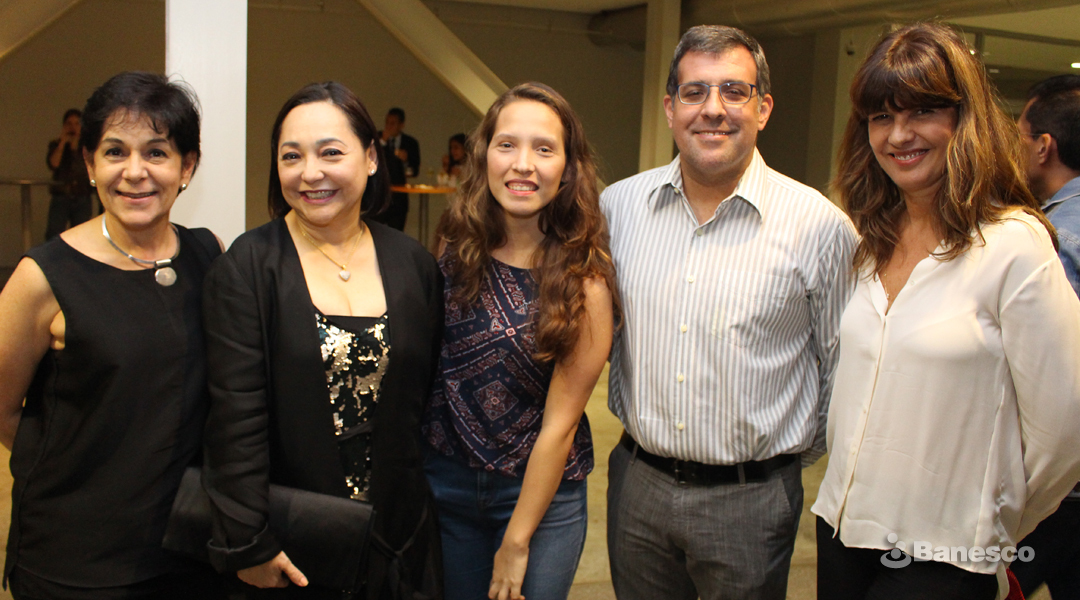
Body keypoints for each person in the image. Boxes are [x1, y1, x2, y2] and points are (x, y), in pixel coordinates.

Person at [811, 23, 1080, 600]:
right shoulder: (872, 238)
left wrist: (997, 524)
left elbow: (1066, 430)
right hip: (841, 530)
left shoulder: (1013, 243)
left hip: (945, 554)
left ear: (965, 118)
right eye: (881, 116)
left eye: (923, 111)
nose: (899, 134)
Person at [600, 25, 857, 600]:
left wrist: (777, 465)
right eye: (694, 92)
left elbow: (842, 368)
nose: (712, 109)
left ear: (763, 109)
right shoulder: (618, 208)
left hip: (751, 503)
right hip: (637, 487)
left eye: (734, 91)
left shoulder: (820, 226)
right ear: (670, 108)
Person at [201, 81, 442, 599]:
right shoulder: (248, 267)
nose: (310, 172)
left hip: (398, 537)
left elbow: (419, 403)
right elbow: (234, 419)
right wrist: (248, 541)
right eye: (291, 156)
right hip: (293, 541)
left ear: (371, 157)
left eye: (330, 152)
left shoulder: (412, 264)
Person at [0, 71, 225, 599]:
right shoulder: (43, 276)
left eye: (156, 152)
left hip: (189, 545)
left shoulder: (209, 254)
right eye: (115, 152)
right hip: (77, 557)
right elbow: (3, 408)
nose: (134, 172)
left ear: (187, 166)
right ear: (90, 164)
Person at [423, 82, 617, 600]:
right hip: (445, 486)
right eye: (507, 144)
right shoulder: (453, 245)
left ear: (568, 167)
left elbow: (561, 423)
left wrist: (516, 540)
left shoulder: (585, 283)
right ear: (484, 154)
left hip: (539, 501)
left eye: (544, 149)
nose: (523, 164)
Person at [1011, 73, 1080, 599]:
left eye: (1018, 135)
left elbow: (1051, 373)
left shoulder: (1055, 240)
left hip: (1062, 491)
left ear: (1043, 146)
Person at [45, 108, 93, 239]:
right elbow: (53, 164)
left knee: (82, 236)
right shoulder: (56, 145)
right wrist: (62, 143)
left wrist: (76, 146)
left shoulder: (88, 148)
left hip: (82, 195)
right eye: (69, 124)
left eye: (77, 124)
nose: (73, 127)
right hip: (61, 195)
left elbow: (89, 167)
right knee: (54, 234)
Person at [371, 107, 420, 231]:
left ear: (401, 125)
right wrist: (383, 141)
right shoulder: (377, 138)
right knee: (375, 232)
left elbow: (415, 171)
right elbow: (370, 159)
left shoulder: (410, 143)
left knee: (397, 232)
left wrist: (406, 160)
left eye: (393, 123)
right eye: (387, 122)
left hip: (399, 197)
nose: (389, 126)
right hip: (380, 194)